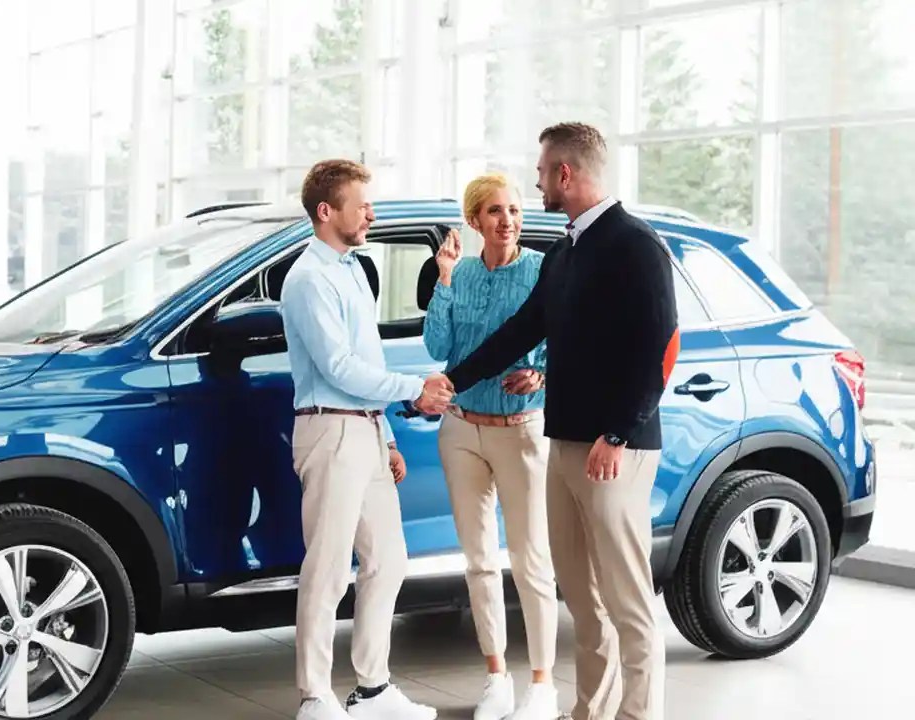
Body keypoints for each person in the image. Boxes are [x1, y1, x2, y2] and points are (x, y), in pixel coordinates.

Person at [443, 123, 679, 720]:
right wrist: (452, 382)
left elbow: (660, 348)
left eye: (543, 171)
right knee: (581, 595)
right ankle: (589, 711)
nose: (539, 182)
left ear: (566, 174)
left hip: (614, 449)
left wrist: (618, 434)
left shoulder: (635, 244)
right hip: (562, 442)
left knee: (627, 599)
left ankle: (638, 714)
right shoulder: (565, 251)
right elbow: (523, 330)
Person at [281, 158, 451, 720]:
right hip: (330, 430)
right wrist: (414, 389)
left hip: (366, 430)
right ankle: (315, 697)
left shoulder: (354, 269)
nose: (371, 214)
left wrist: (389, 435)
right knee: (328, 569)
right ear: (326, 211)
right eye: (361, 205)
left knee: (388, 560)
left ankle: (372, 691)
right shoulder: (309, 279)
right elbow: (337, 367)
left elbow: (367, 362)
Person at [422, 173, 560, 720]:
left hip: (521, 430)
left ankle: (543, 685)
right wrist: (444, 278)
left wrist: (543, 375)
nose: (508, 221)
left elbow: (565, 338)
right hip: (461, 430)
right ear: (475, 220)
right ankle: (496, 676)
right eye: (496, 211)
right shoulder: (462, 273)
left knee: (531, 561)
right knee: (479, 562)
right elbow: (439, 345)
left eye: (514, 210)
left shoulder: (542, 270)